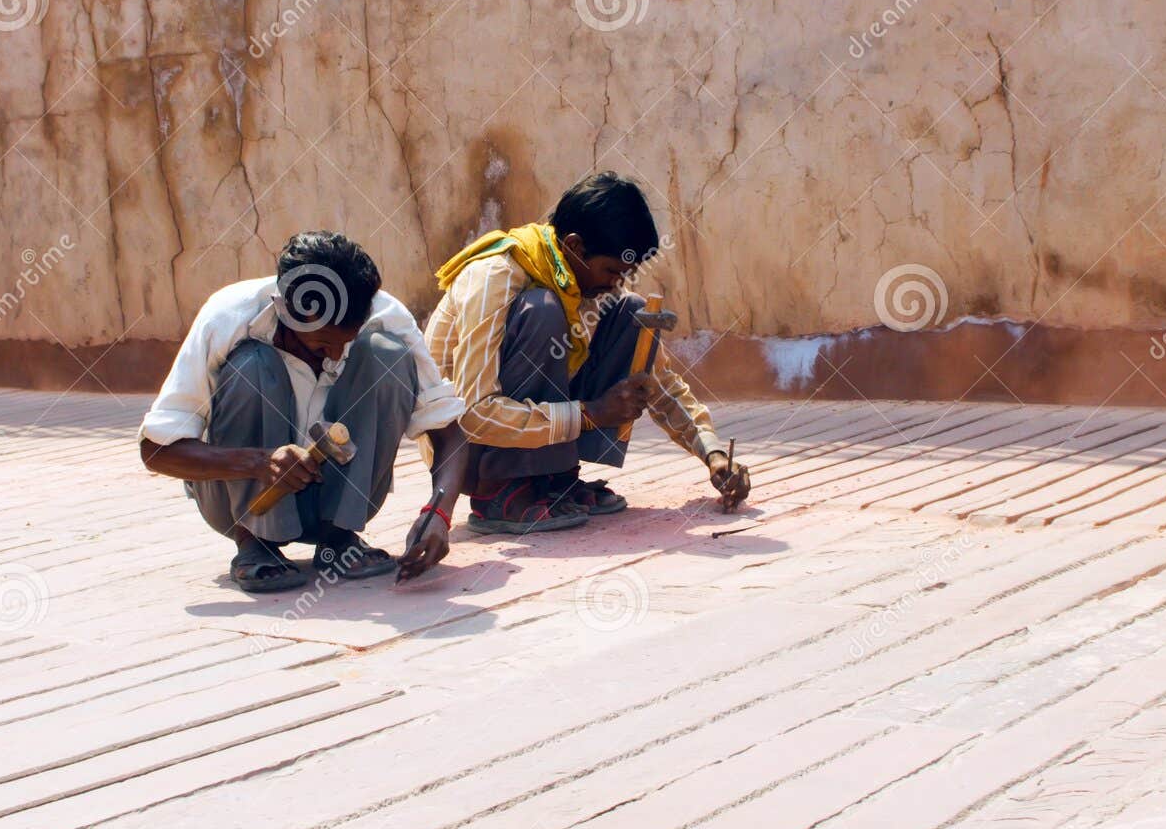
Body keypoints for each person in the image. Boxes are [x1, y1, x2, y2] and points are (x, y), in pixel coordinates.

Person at [139, 231, 469, 592]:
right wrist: (258, 463)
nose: (333, 356)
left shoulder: (387, 316)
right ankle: (255, 545)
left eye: (344, 343)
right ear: (282, 309)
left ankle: (338, 538)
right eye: (321, 344)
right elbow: (156, 450)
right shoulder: (228, 316)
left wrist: (438, 513)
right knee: (252, 363)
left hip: (334, 501)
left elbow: (449, 434)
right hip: (240, 506)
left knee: (387, 354)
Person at [422, 172, 750, 533]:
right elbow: (474, 414)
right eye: (611, 270)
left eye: (624, 273)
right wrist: (590, 413)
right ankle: (500, 492)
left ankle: (552, 481)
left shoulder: (572, 278)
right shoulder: (496, 275)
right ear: (576, 247)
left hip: (513, 433)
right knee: (541, 310)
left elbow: (656, 382)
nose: (616, 282)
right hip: (464, 455)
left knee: (631, 313)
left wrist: (712, 452)